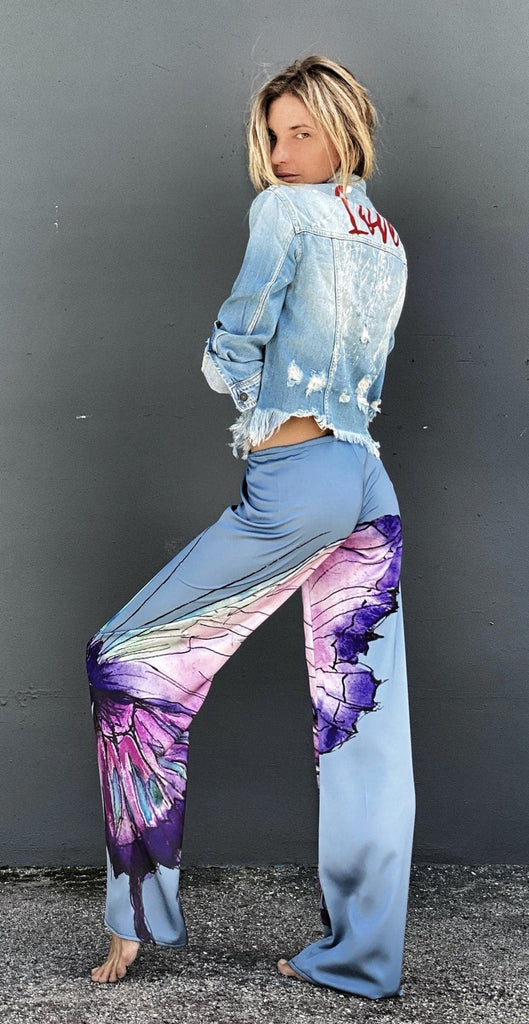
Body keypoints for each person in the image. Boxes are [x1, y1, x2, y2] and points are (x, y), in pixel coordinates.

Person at [86, 54, 416, 996]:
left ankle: (137, 915)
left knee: (126, 662)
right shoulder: (384, 235)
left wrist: (230, 374)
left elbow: (239, 336)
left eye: (301, 132)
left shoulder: (283, 213)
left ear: (345, 130)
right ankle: (360, 960)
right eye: (272, 136)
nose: (280, 154)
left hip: (298, 481)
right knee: (361, 730)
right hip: (366, 479)